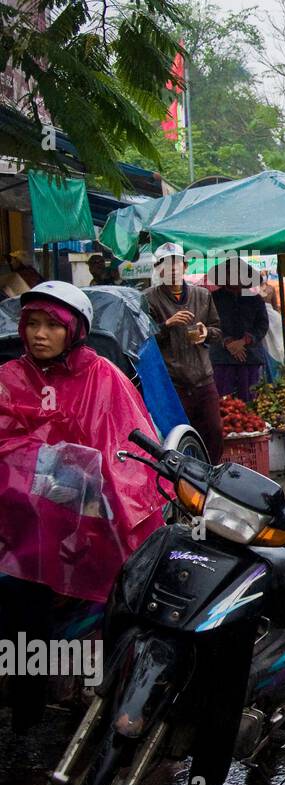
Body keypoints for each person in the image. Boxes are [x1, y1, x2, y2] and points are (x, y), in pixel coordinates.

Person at [0, 282, 167, 729]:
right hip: (18, 514)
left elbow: (124, 448)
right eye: (32, 323)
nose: (39, 334)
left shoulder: (103, 375)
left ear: (74, 331)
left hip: (88, 514)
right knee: (15, 587)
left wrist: (86, 486)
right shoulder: (10, 378)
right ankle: (25, 696)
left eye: (52, 326)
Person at [142, 242, 224, 462]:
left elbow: (217, 330)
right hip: (173, 381)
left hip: (203, 377)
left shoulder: (202, 295)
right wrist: (167, 324)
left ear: (185, 267)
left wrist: (206, 332)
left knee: (214, 431)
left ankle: (212, 474)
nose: (172, 269)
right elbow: (143, 338)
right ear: (159, 269)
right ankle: (186, 479)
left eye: (177, 264)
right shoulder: (149, 299)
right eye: (166, 265)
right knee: (178, 436)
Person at [208, 259, 270, 402]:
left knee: (249, 401)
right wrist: (228, 342)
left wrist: (243, 341)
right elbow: (209, 323)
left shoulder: (255, 299)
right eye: (231, 273)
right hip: (222, 357)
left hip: (250, 356)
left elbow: (262, 325)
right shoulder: (213, 298)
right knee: (223, 402)